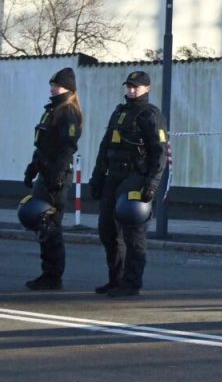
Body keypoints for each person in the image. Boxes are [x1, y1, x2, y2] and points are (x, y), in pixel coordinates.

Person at [85, 70, 164, 298]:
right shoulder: (119, 112)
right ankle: (115, 280)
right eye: (129, 86)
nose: (131, 90)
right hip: (114, 176)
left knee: (133, 232)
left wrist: (152, 185)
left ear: (147, 88)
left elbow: (159, 154)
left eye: (135, 87)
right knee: (107, 230)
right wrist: (97, 177)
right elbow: (105, 146)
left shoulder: (151, 114)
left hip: (136, 178)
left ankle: (131, 283)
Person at [23, 65, 82, 290]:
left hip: (56, 176)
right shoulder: (52, 110)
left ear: (67, 88)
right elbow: (43, 145)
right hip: (46, 172)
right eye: (52, 84)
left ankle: (53, 276)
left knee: (50, 225)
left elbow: (68, 147)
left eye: (57, 85)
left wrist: (57, 174)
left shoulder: (67, 111)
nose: (53, 88)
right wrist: (33, 167)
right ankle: (47, 273)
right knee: (42, 223)